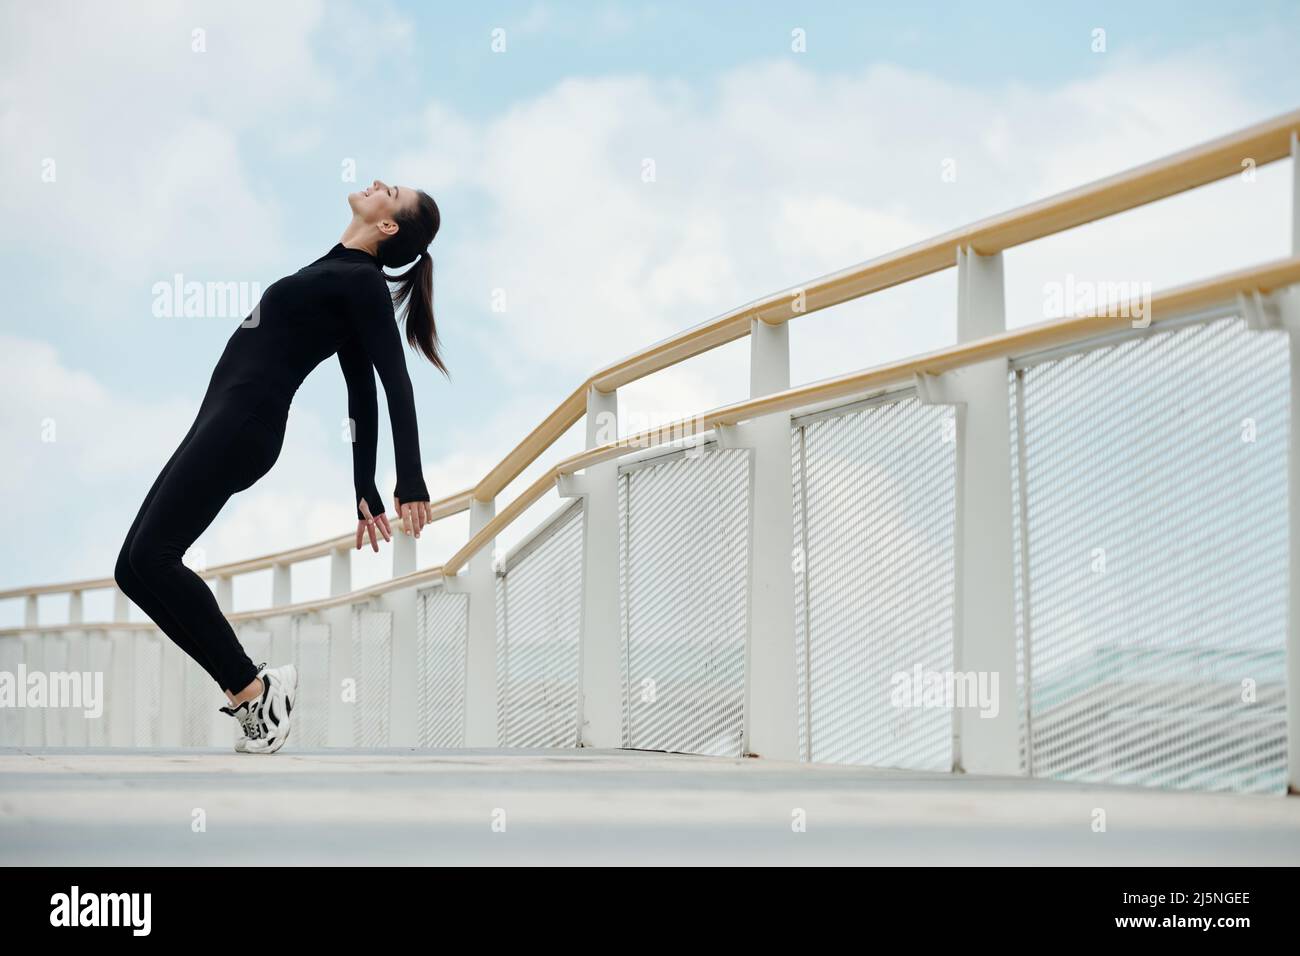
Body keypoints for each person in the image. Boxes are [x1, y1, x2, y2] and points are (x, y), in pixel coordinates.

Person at [113, 180, 446, 754]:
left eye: (389, 190)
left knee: (154, 557)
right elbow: (359, 389)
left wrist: (408, 478)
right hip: (220, 421)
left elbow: (395, 382)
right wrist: (362, 481)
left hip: (243, 426)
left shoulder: (361, 282)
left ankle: (254, 691)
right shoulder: (336, 271)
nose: (375, 184)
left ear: (388, 224)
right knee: (132, 568)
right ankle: (252, 697)